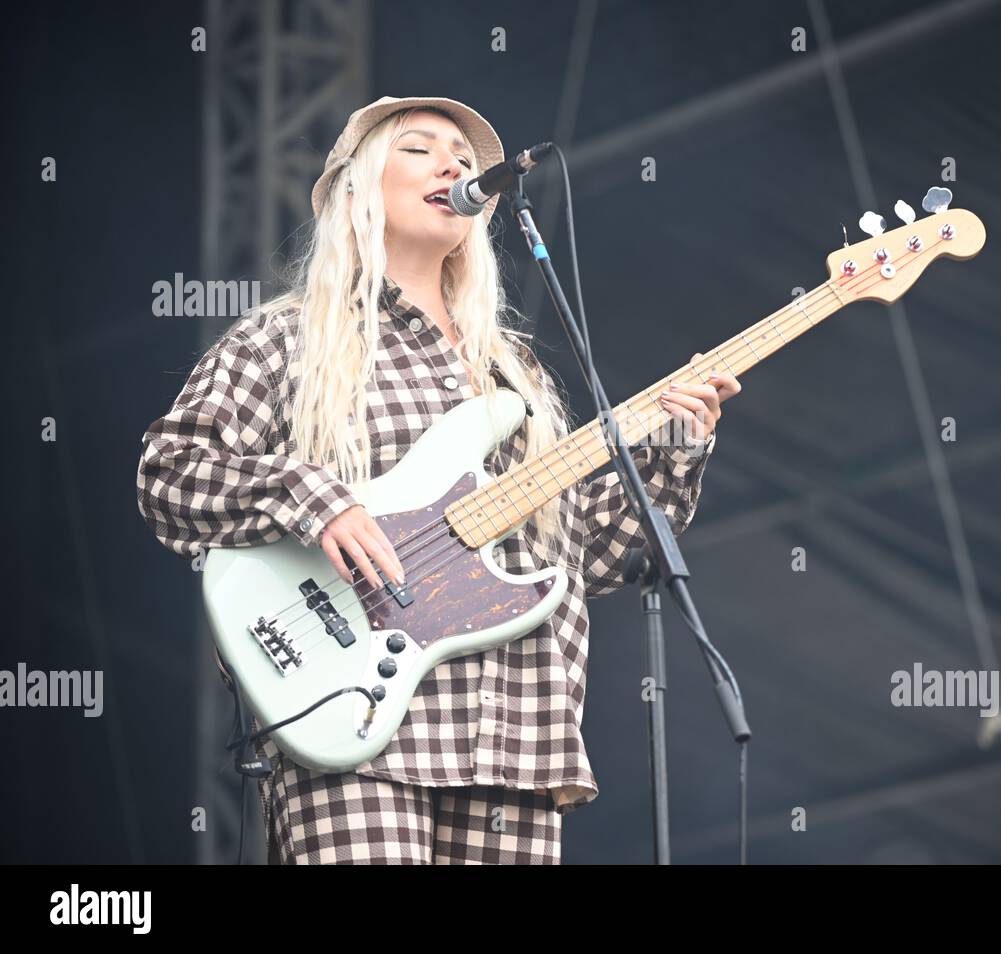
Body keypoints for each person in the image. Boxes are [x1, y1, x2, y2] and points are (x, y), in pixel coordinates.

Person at [136, 96, 740, 864]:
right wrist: (314, 501)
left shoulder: (515, 374)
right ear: (357, 189)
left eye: (461, 154)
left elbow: (590, 557)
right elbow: (172, 473)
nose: (455, 165)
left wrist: (677, 446)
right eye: (419, 149)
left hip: (515, 735)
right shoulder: (285, 339)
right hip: (353, 713)